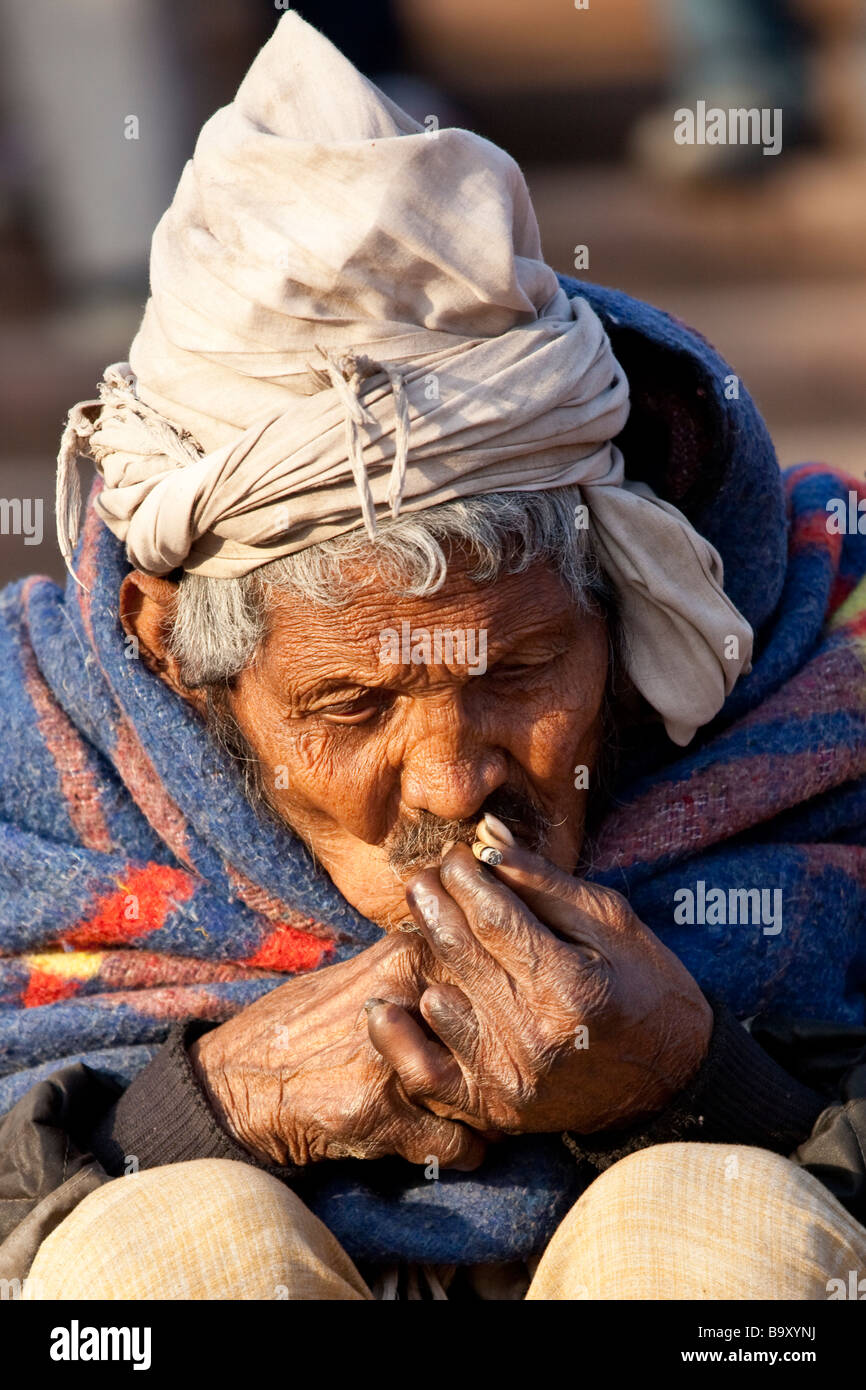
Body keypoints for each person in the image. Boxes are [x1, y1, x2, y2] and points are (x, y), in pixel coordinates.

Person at [0, 12, 865, 1301]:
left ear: (623, 603)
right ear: (175, 650)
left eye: (519, 676)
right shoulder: (44, 751)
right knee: (158, 1263)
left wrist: (699, 1082)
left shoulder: (824, 647)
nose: (454, 784)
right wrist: (208, 1107)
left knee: (712, 1232)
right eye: (350, 703)